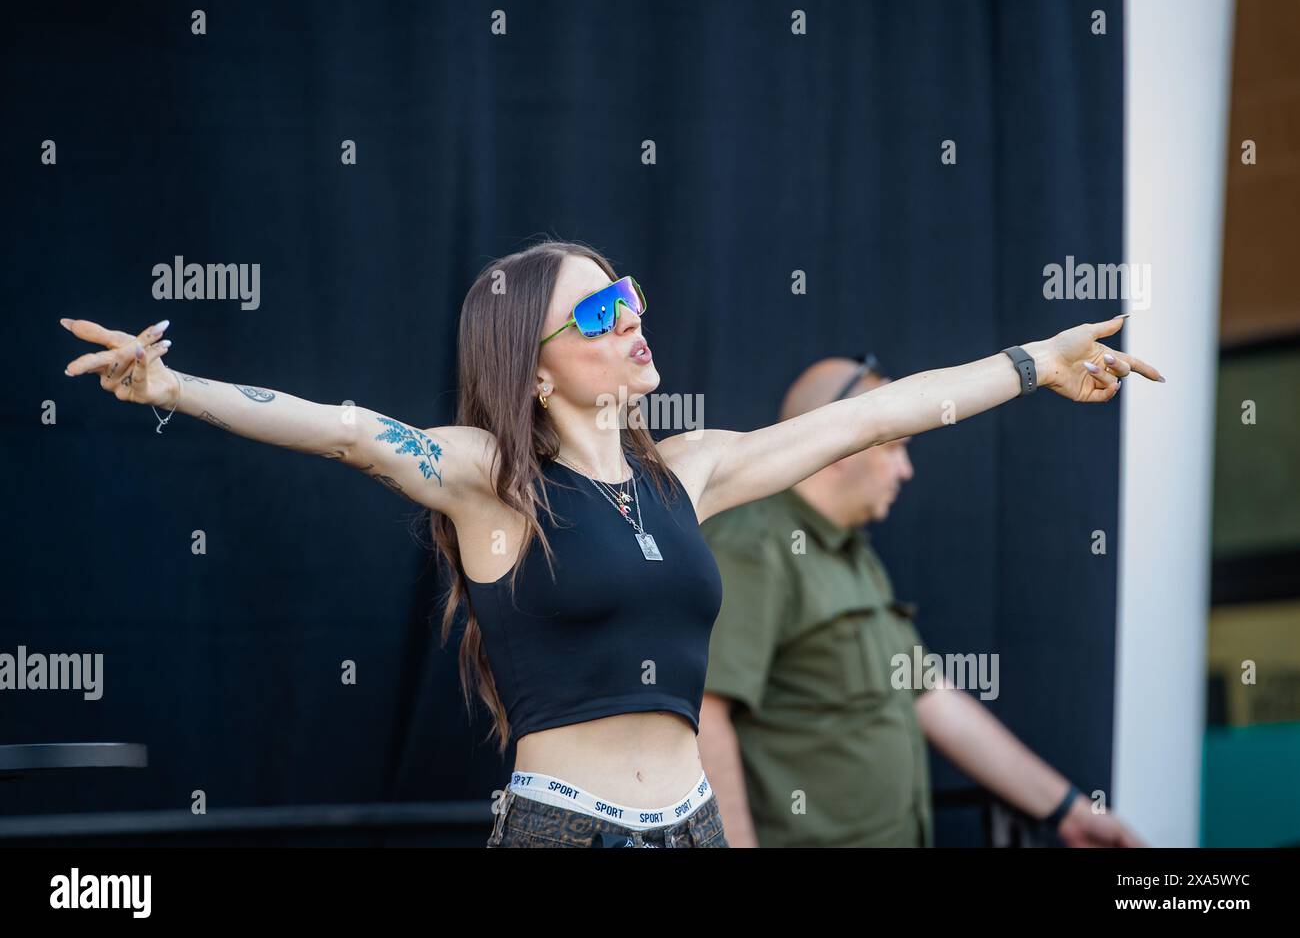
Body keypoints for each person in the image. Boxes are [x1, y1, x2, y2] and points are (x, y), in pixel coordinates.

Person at [60, 237, 1163, 848]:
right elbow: (347, 431)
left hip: (688, 830)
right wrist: (172, 385)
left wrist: (1031, 361)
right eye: (596, 315)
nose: (629, 319)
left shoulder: (686, 469)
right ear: (533, 367)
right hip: (562, 831)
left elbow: (872, 415)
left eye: (626, 297)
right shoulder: (491, 481)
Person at [697, 354, 1147, 848]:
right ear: (842, 443)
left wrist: (1067, 810)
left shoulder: (853, 552)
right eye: (896, 449)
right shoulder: (754, 542)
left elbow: (929, 696)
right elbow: (705, 716)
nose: (906, 470)